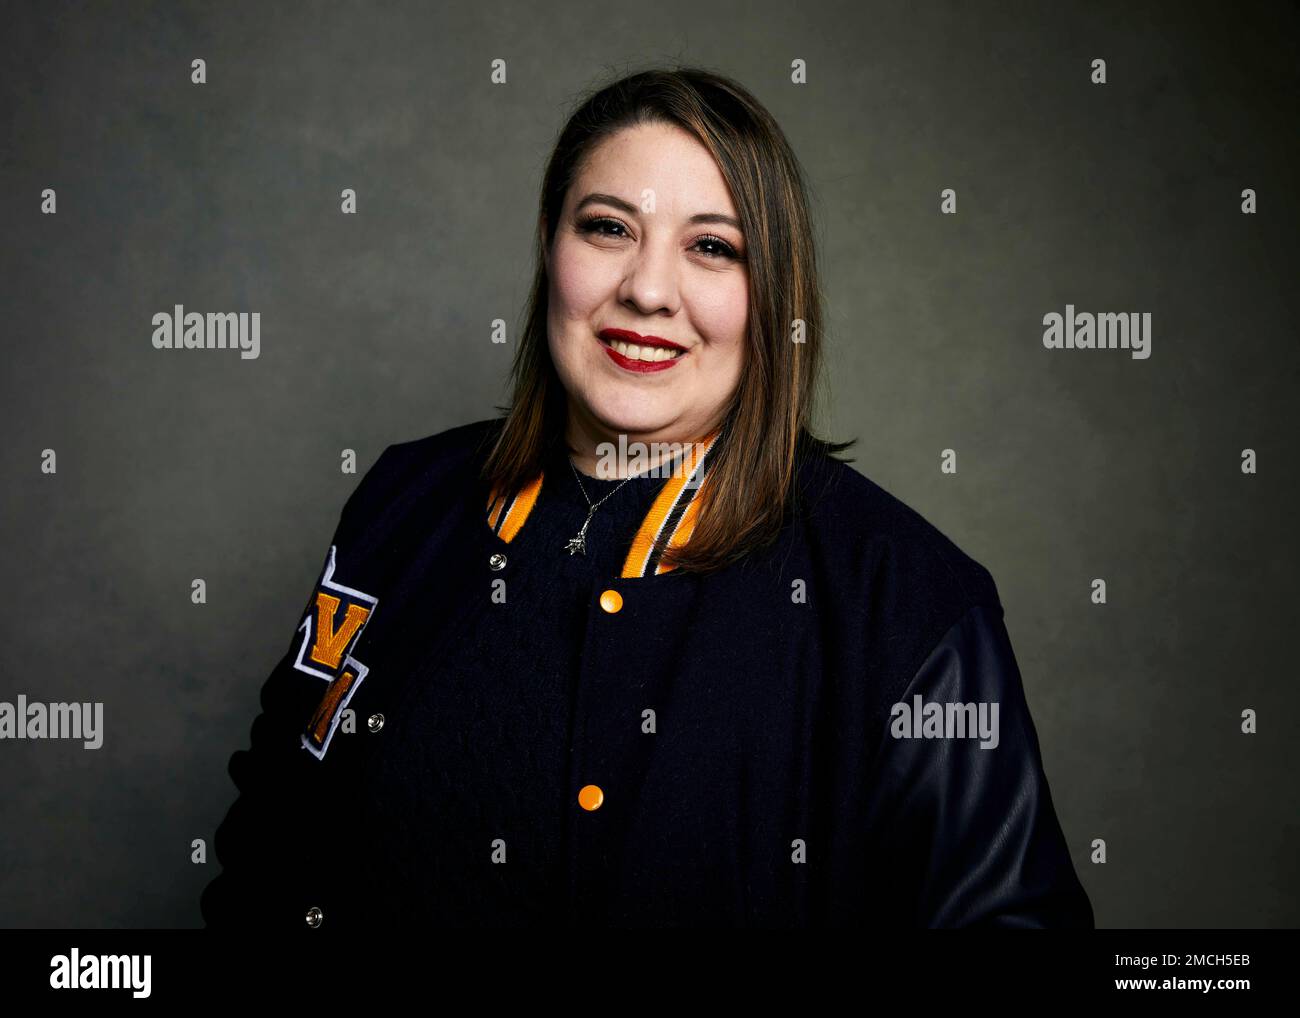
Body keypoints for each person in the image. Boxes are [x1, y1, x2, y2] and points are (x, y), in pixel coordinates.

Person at [200, 66, 1094, 928]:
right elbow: (272, 827)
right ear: (550, 247)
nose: (648, 291)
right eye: (608, 228)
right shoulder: (403, 503)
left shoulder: (906, 596)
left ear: (773, 294)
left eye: (712, 247)